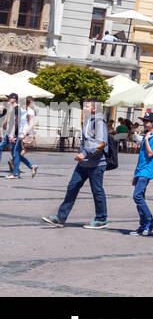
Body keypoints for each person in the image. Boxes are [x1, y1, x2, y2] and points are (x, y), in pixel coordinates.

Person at [42, 98, 110, 228]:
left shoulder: (99, 122)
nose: (84, 109)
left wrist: (84, 153)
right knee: (72, 187)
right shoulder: (86, 121)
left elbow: (101, 142)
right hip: (83, 164)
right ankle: (60, 217)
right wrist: (81, 154)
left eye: (87, 107)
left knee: (97, 191)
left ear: (94, 108)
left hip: (96, 164)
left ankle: (101, 219)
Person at [130, 114, 153, 236]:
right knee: (140, 198)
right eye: (144, 121)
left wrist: (146, 140)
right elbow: (141, 158)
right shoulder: (147, 135)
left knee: (137, 196)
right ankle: (143, 224)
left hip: (147, 171)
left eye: (146, 121)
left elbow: (150, 154)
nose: (144, 123)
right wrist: (135, 174)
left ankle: (150, 221)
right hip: (140, 170)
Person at [2, 92, 26, 178]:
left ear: (14, 99)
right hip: (13, 134)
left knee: (16, 154)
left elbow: (16, 123)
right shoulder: (13, 108)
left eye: (10, 98)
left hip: (15, 134)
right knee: (15, 153)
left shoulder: (17, 109)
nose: (8, 99)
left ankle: (16, 173)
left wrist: (13, 135)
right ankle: (16, 172)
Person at [15, 96, 37, 177]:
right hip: (20, 135)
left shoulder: (30, 111)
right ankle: (31, 167)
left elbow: (31, 124)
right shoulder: (22, 111)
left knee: (17, 155)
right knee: (17, 155)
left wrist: (24, 134)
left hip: (25, 135)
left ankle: (16, 173)